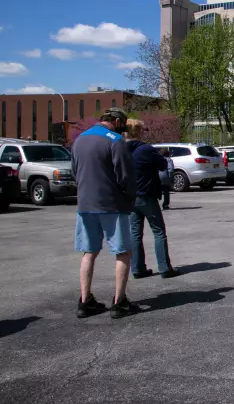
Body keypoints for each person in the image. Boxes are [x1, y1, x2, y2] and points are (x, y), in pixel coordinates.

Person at [71, 108, 139, 319]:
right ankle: (119, 302)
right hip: (111, 204)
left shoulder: (79, 139)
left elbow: (75, 170)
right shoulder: (115, 140)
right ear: (117, 121)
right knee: (123, 252)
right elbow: (124, 175)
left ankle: (85, 300)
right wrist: (129, 198)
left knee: (89, 251)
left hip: (85, 203)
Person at [126, 120, 180, 280]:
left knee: (135, 233)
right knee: (158, 231)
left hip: (130, 196)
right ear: (138, 131)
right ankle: (164, 267)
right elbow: (163, 164)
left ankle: (137, 268)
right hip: (146, 194)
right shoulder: (145, 150)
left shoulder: (121, 149)